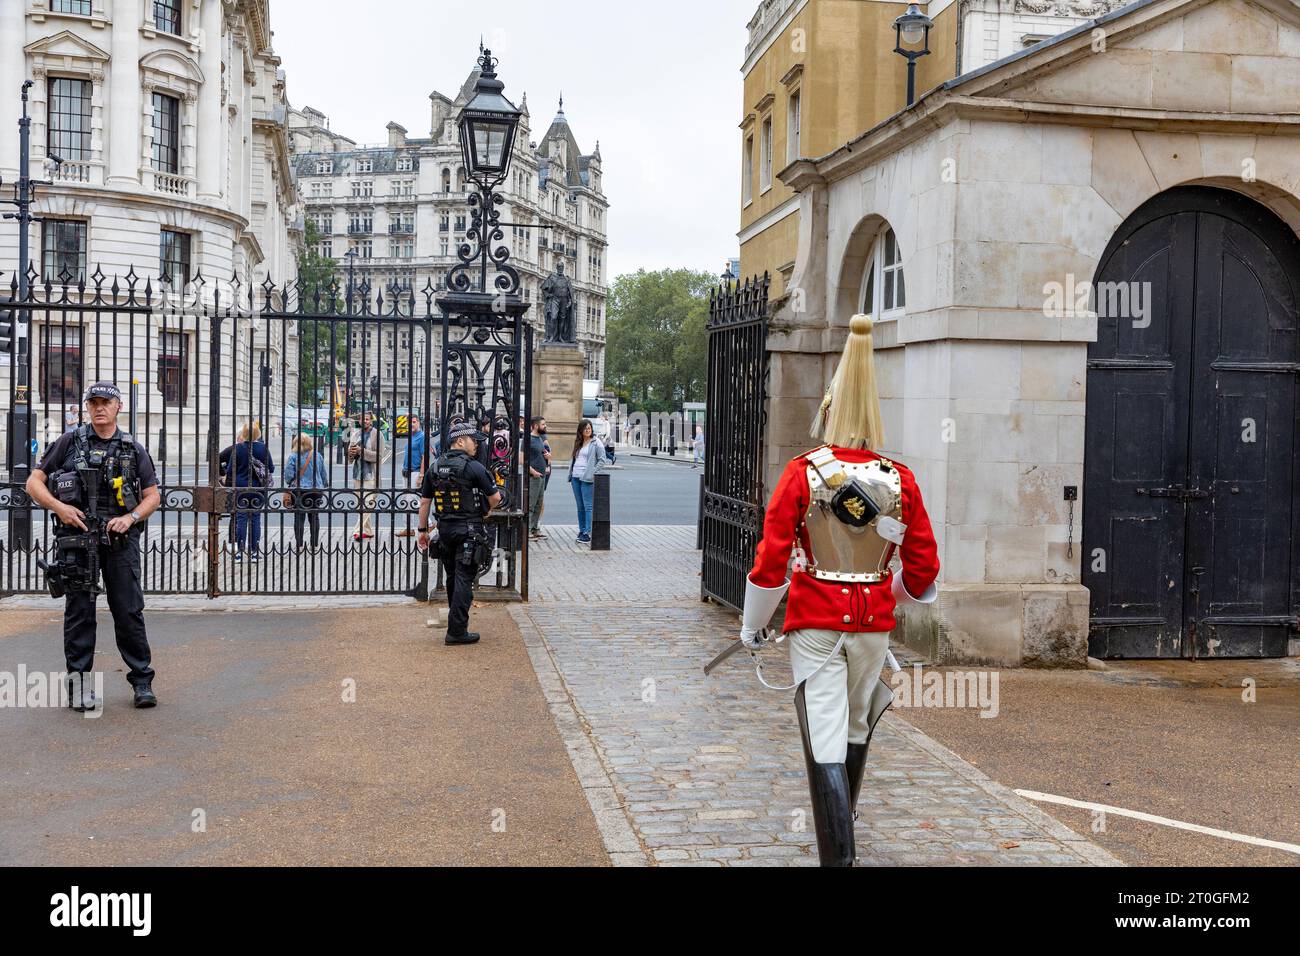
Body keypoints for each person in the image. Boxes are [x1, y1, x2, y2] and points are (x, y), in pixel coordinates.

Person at [739, 315, 939, 867]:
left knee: (823, 733)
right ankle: (843, 833)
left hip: (816, 619)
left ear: (829, 409)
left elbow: (772, 556)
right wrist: (892, 591)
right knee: (854, 724)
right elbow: (923, 565)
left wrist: (753, 622)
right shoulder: (900, 479)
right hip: (871, 622)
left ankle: (838, 856)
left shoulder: (804, 471)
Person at [25, 381, 162, 711]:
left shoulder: (133, 448)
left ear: (119, 406)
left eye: (106, 402)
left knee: (128, 611)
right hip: (78, 541)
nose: (99, 407)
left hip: (120, 539)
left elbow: (152, 496)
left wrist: (130, 518)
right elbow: (34, 481)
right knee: (79, 614)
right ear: (87, 407)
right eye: (94, 402)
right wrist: (60, 507)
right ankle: (79, 688)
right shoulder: (69, 442)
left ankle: (142, 682)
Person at [417, 422, 502, 646]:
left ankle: (456, 625)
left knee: (453, 576)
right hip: (468, 530)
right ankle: (457, 631)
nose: (476, 445)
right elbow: (496, 498)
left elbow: (425, 502)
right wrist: (486, 511)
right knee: (464, 577)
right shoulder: (473, 467)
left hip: (444, 531)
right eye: (474, 440)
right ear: (460, 441)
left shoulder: (435, 467)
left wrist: (422, 531)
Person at [224, 422, 273, 562]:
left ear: (243, 434)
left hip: (241, 489)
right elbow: (271, 468)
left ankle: (239, 552)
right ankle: (254, 552)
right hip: (258, 489)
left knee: (241, 519)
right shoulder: (263, 448)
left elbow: (230, 470)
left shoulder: (238, 448)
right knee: (255, 519)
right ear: (258, 433)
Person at [285, 433, 329, 552]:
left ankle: (299, 545)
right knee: (314, 517)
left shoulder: (293, 456)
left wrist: (291, 481)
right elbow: (323, 473)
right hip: (316, 489)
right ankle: (314, 544)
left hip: (300, 490)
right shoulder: (317, 455)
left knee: (299, 517)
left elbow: (288, 476)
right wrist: (324, 485)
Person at [568, 419, 605, 544]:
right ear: (581, 430)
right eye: (585, 428)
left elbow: (602, 460)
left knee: (587, 506)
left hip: (587, 478)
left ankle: (587, 532)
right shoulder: (578, 442)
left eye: (589, 428)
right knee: (580, 507)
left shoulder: (596, 442)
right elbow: (574, 459)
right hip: (575, 477)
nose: (588, 430)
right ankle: (582, 530)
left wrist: (592, 472)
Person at [348, 410, 383, 540]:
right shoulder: (356, 434)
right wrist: (351, 453)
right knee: (360, 504)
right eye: (362, 419)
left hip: (371, 474)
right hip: (357, 473)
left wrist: (361, 451)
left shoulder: (377, 435)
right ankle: (367, 531)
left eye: (367, 419)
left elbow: (379, 456)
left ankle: (357, 530)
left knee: (368, 503)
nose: (365, 422)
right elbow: (351, 459)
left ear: (371, 420)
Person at [396, 415, 426, 539]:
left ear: (418, 423)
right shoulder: (411, 437)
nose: (411, 425)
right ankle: (409, 528)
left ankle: (427, 524)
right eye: (409, 423)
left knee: (413, 501)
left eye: (414, 422)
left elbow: (425, 457)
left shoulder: (422, 437)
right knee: (407, 501)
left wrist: (422, 475)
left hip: (415, 472)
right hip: (406, 472)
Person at [527, 416, 549, 539]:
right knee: (531, 504)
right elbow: (521, 459)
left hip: (541, 475)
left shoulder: (540, 439)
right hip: (534, 476)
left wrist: (547, 457)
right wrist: (533, 471)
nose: (545, 426)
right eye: (543, 424)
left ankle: (535, 529)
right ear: (536, 426)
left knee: (538, 504)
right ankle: (528, 530)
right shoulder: (528, 439)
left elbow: (542, 454)